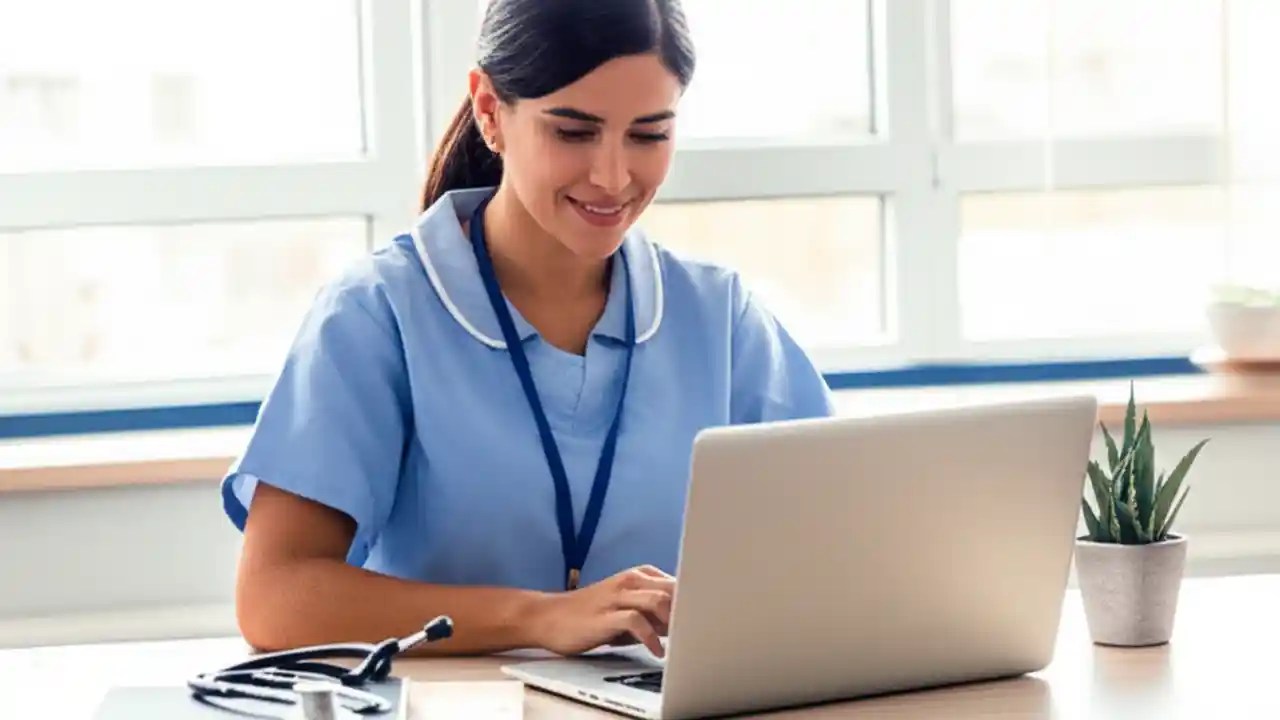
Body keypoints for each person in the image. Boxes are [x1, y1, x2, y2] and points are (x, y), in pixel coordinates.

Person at [222, 0, 834, 660]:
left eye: (648, 135)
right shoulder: (377, 314)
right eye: (574, 133)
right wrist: (539, 617)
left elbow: (842, 544)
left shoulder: (720, 316)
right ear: (490, 111)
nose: (612, 176)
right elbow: (276, 597)